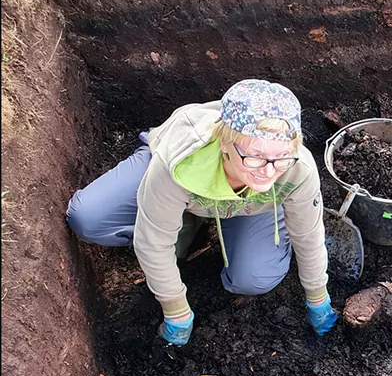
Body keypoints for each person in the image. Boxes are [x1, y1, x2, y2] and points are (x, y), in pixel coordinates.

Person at [66, 79, 339, 346]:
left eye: (280, 158)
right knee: (89, 219)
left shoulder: (296, 169)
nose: (267, 171)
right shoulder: (181, 163)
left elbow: (308, 235)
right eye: (254, 157)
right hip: (184, 182)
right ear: (224, 143)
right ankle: (188, 219)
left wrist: (318, 297)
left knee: (254, 277)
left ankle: (191, 218)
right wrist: (176, 310)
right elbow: (153, 244)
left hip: (248, 205)